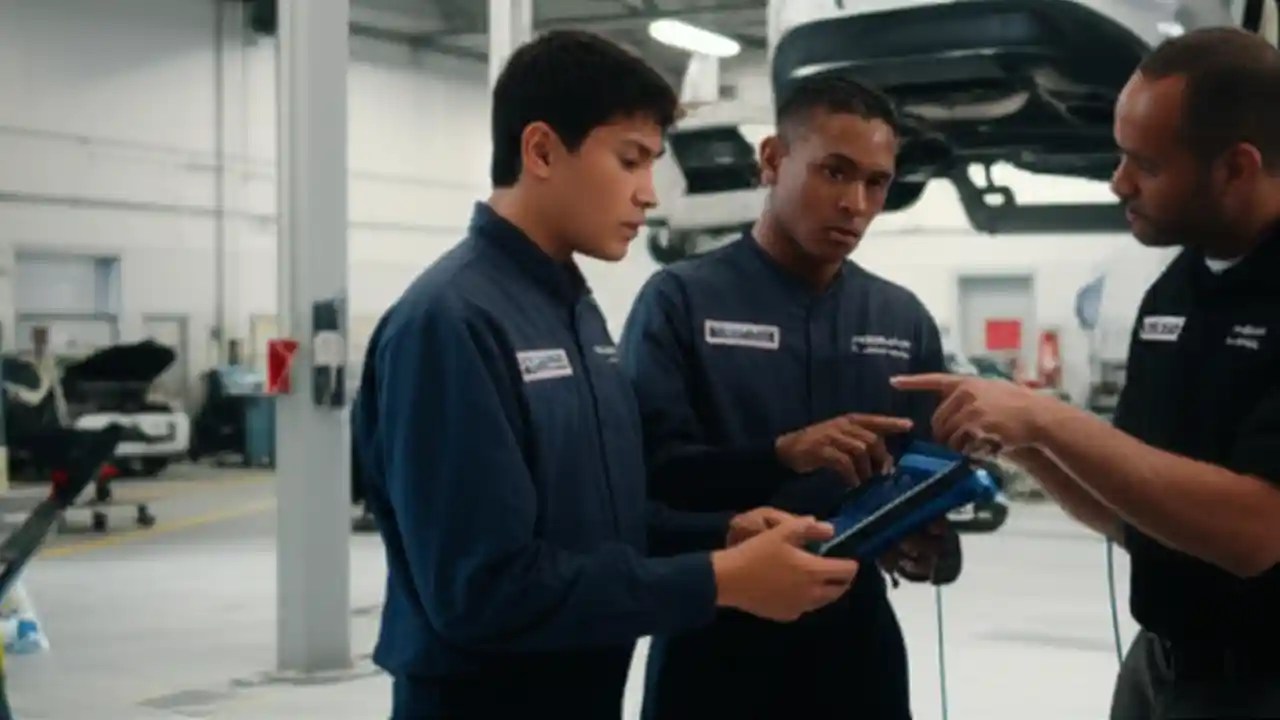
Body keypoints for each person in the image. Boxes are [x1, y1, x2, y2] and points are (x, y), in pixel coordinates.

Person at [350, 30, 864, 719]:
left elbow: (595, 524)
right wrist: (716, 581)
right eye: (630, 161)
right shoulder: (451, 323)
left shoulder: (572, 311)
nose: (649, 195)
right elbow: (484, 590)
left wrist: (721, 535)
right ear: (540, 151)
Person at [892, 27, 1280, 719]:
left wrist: (1049, 419)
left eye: (1145, 164)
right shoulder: (1177, 289)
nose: (1117, 181)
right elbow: (1138, 512)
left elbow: (1258, 533)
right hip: (1163, 664)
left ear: (1236, 169)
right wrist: (1022, 442)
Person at [619, 74, 961, 719]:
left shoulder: (901, 318)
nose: (855, 203)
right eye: (834, 172)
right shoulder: (681, 302)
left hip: (858, 656)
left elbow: (925, 484)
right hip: (715, 647)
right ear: (772, 160)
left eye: (876, 183)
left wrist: (929, 545)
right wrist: (781, 455)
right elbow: (643, 485)